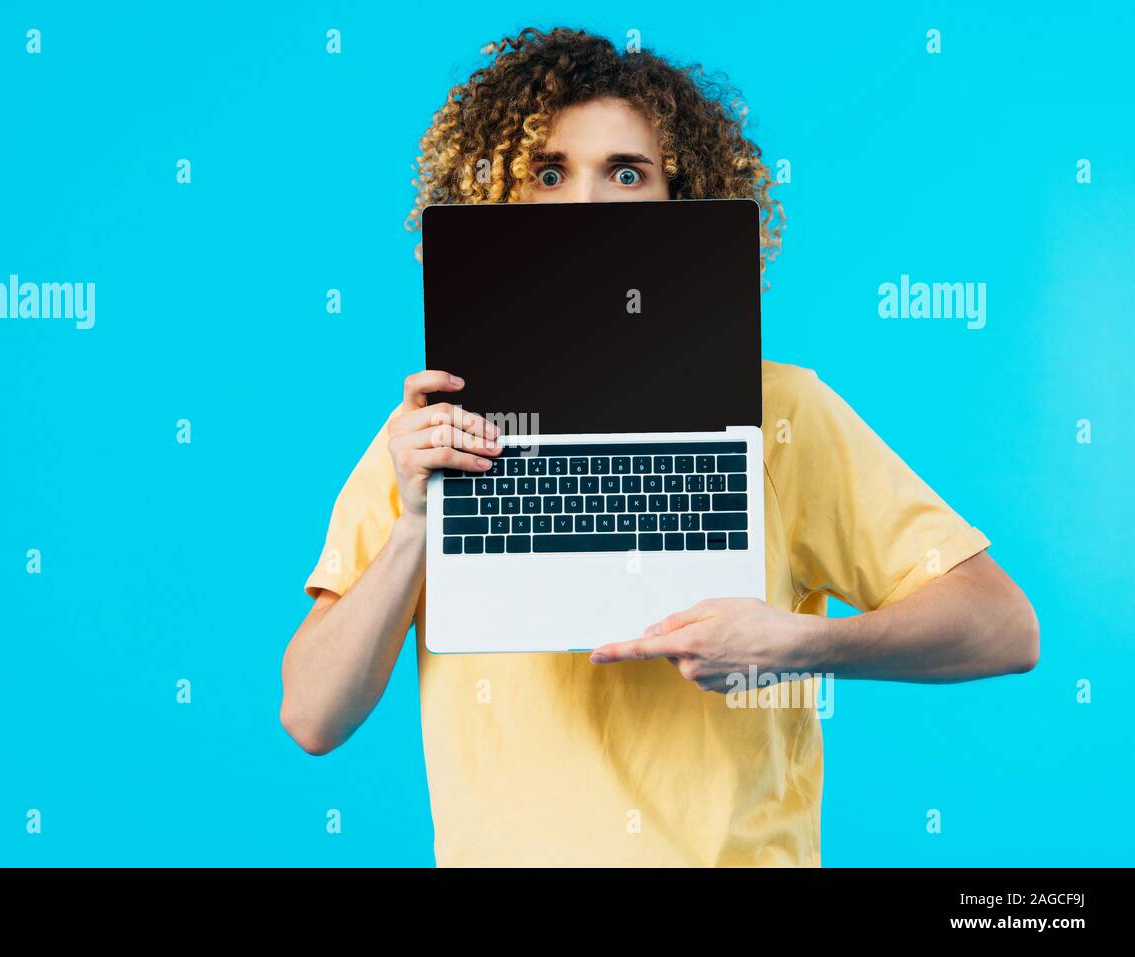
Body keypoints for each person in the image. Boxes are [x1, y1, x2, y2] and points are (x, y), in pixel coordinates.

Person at [280, 27, 1039, 866]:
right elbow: (313, 715)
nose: (587, 206)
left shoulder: (782, 410)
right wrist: (421, 526)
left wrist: (795, 646)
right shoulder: (431, 432)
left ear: (683, 200)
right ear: (497, 199)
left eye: (627, 172)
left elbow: (1002, 627)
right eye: (548, 172)